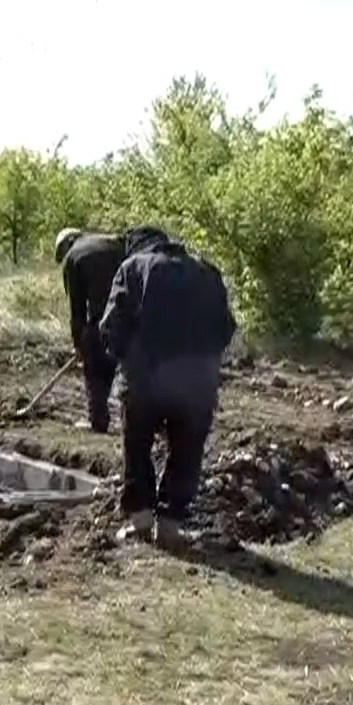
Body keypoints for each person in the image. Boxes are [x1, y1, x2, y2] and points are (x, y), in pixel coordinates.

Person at [98, 226, 238, 549]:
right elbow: (226, 328)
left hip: (146, 379)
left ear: (137, 246)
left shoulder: (132, 268)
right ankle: (171, 527)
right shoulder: (207, 271)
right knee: (186, 454)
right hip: (197, 384)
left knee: (137, 449)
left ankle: (142, 521)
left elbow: (111, 326)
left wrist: (125, 360)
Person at [54, 227, 127, 433]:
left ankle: (98, 421)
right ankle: (141, 423)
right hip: (129, 319)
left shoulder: (73, 258)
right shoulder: (114, 242)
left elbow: (77, 310)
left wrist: (78, 343)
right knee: (131, 373)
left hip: (100, 322)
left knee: (94, 370)